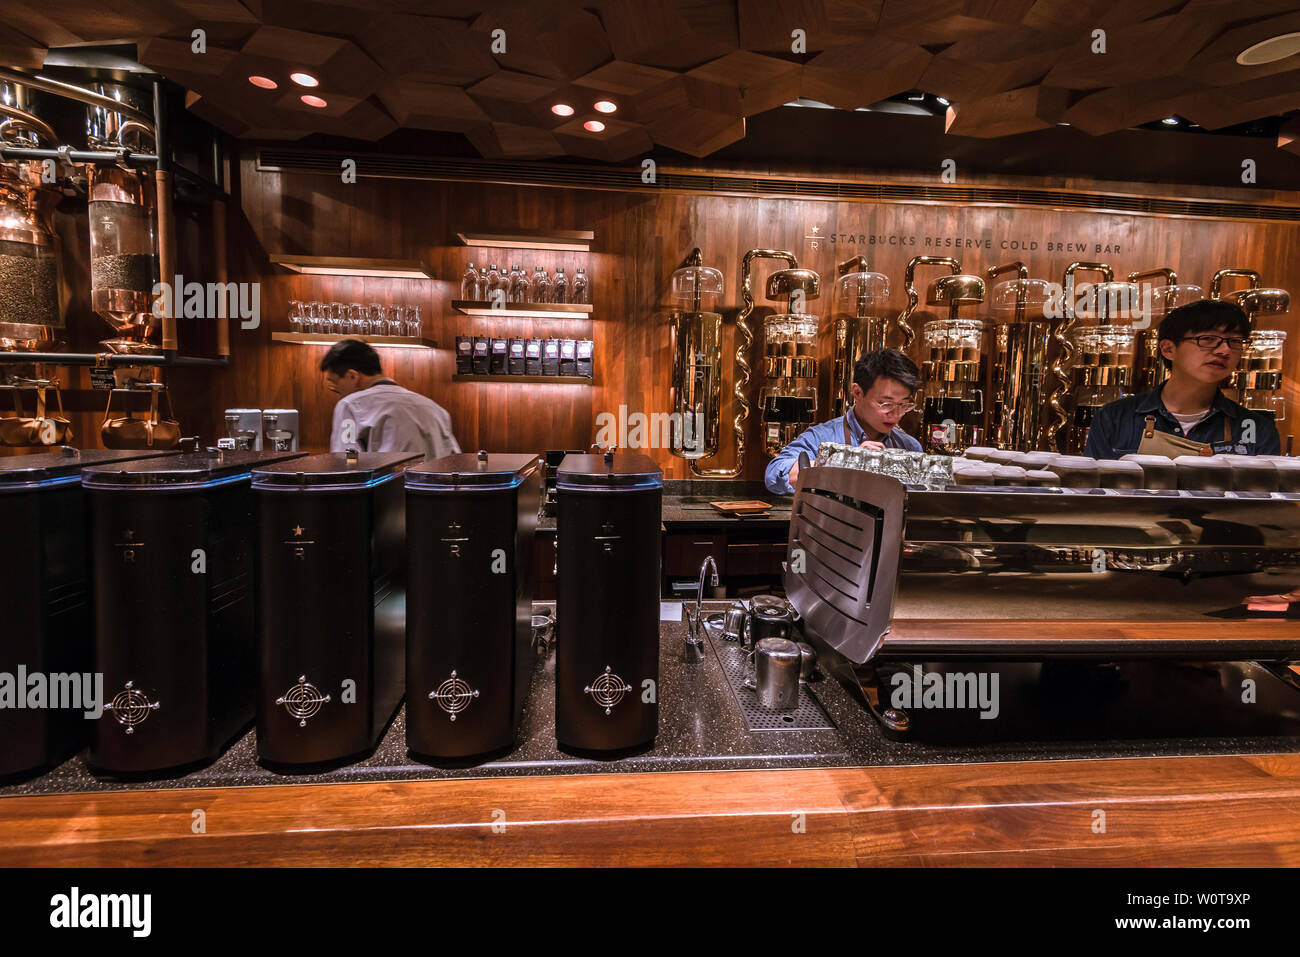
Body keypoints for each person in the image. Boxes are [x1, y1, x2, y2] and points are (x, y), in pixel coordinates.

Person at [1084, 299, 1280, 459]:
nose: (1224, 350)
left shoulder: (1256, 429)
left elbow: (1260, 504)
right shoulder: (1114, 418)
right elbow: (1096, 496)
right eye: (1208, 339)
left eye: (1235, 341)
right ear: (1168, 349)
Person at [765, 348, 922, 495]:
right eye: (885, 403)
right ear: (857, 392)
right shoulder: (821, 437)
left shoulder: (909, 446)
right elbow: (775, 474)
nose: (895, 414)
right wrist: (846, 462)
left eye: (903, 405)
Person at [320, 339, 460, 460]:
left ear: (352, 376)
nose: (338, 394)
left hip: (386, 491)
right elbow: (454, 462)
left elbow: (345, 463)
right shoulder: (435, 409)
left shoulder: (349, 405)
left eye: (335, 386)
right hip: (433, 489)